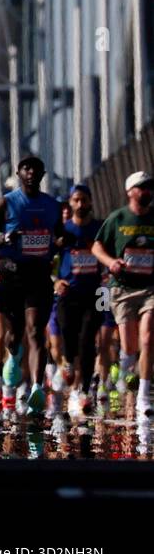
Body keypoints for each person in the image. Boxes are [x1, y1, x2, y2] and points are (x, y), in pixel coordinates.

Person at [0, 156, 64, 415]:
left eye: (36, 169)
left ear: (43, 173)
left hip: (38, 274)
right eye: (26, 169)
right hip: (11, 275)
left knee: (36, 331)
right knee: (13, 334)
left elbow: (59, 234)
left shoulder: (52, 205)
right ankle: (13, 356)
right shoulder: (6, 202)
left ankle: (37, 387)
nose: (31, 173)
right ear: (18, 173)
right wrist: (2, 237)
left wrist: (60, 240)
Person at [91, 171, 154, 418]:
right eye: (142, 188)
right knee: (129, 345)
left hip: (150, 287)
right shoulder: (117, 218)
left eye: (149, 188)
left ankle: (143, 396)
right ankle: (126, 368)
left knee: (148, 339)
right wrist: (110, 262)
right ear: (130, 191)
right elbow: (97, 246)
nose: (147, 192)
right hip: (123, 288)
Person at [54, 185, 103, 417]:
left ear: (91, 202)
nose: (81, 204)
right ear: (70, 204)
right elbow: (44, 257)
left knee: (88, 340)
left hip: (95, 294)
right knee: (67, 330)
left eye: (84, 200)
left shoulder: (99, 229)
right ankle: (67, 361)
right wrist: (54, 280)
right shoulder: (63, 230)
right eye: (76, 200)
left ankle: (82, 391)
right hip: (68, 292)